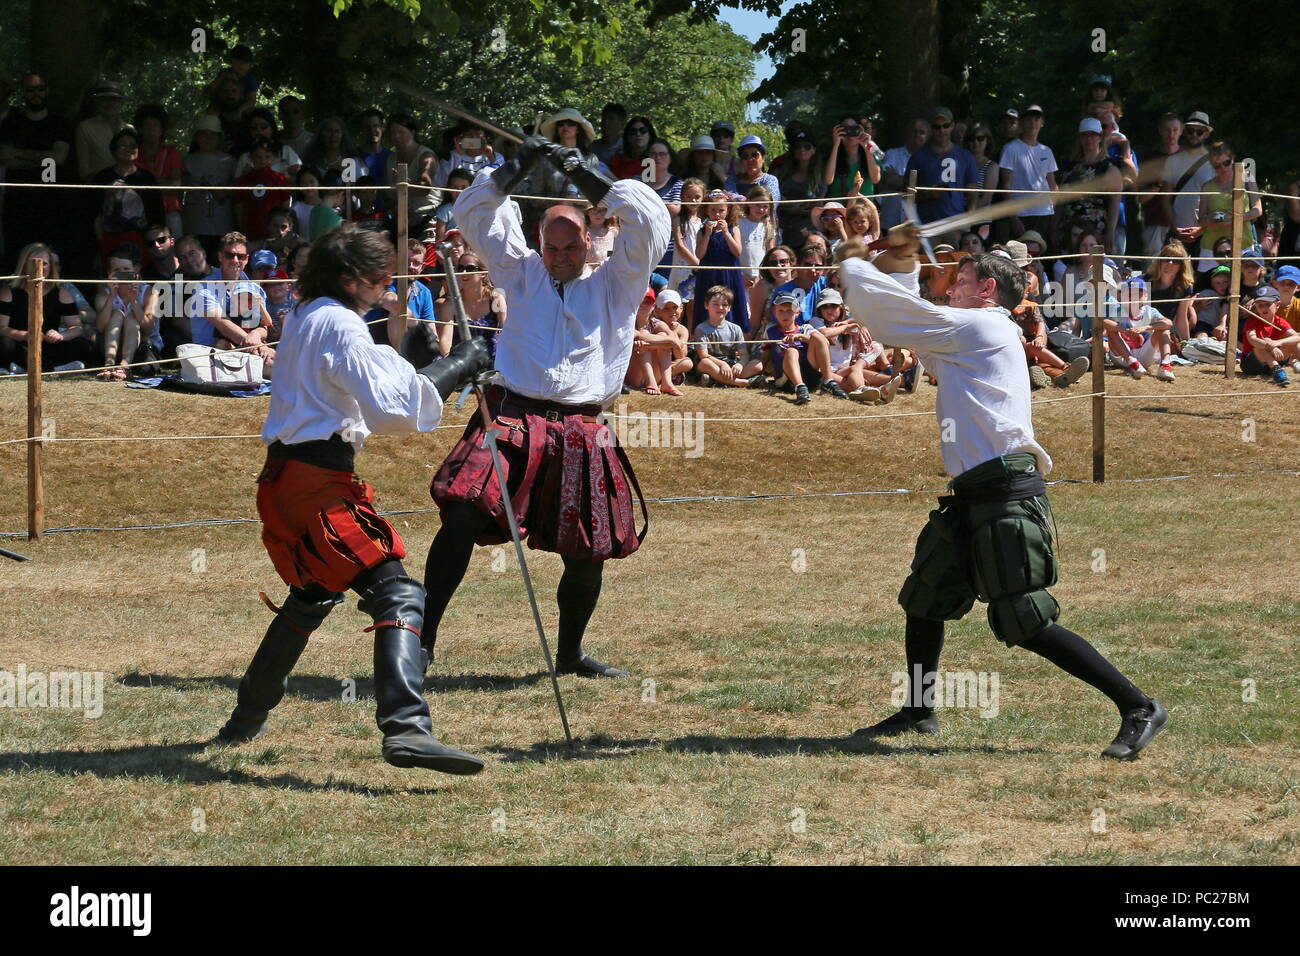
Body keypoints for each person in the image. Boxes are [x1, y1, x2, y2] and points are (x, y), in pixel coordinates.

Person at [839, 226, 1168, 760]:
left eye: (962, 280)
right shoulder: (973, 332)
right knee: (925, 600)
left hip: (1005, 491)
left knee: (1025, 618)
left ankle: (1138, 706)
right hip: (973, 491)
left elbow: (888, 318)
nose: (950, 288)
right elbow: (905, 322)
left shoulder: (981, 329)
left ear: (988, 290)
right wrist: (898, 266)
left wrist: (854, 259)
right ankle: (920, 709)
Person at [217, 223, 492, 774]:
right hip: (313, 483)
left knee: (312, 595)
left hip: (292, 480)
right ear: (349, 279)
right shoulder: (338, 324)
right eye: (376, 278)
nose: (385, 285)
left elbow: (382, 376)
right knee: (399, 594)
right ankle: (407, 729)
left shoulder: (310, 315)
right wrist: (460, 363)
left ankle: (245, 719)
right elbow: (390, 408)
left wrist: (450, 362)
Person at [422, 135, 670, 679]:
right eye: (552, 247)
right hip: (513, 414)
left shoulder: (619, 284)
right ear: (540, 242)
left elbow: (650, 225)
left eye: (572, 246)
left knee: (587, 548)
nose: (561, 257)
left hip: (583, 426)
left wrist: (586, 176)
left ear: (591, 241)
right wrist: (520, 164)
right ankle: (423, 641)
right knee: (462, 512)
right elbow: (473, 210)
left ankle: (569, 655)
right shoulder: (519, 271)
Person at [0, 74, 74, 260]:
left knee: (50, 259)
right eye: (30, 90)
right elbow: (6, 158)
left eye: (40, 89)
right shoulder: (11, 123)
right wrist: (45, 154)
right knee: (17, 258)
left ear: (47, 90)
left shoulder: (60, 123)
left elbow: (58, 158)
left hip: (51, 203)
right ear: (23, 93)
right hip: (17, 204)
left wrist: (20, 152)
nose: (36, 94)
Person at [0, 242, 95, 374]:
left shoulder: (61, 291)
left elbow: (77, 327)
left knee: (83, 344)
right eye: (33, 263)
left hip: (49, 344)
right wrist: (25, 335)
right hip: (20, 344)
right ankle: (37, 368)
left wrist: (61, 336)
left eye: (44, 263)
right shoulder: (9, 291)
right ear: (23, 265)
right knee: (4, 342)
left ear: (51, 267)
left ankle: (45, 369)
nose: (39, 267)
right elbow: (2, 327)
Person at [905, 107, 981, 244]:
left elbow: (973, 193)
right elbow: (907, 194)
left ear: (952, 126)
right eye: (936, 127)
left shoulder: (965, 156)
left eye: (945, 126)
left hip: (956, 224)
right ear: (931, 128)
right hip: (926, 226)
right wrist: (929, 194)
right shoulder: (918, 157)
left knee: (955, 263)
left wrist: (967, 221)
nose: (941, 131)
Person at [91, 128, 163, 265]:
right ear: (114, 150)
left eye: (132, 145)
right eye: (123, 145)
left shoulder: (146, 178)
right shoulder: (102, 177)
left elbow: (157, 214)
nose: (128, 149)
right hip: (109, 238)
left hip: (140, 239)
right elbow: (94, 213)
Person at [1194, 141, 1262, 271]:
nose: (1223, 168)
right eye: (1217, 166)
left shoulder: (1247, 179)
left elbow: (1258, 210)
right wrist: (1208, 220)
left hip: (1242, 244)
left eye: (1226, 163)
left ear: (1233, 159)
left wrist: (1241, 217)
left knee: (1242, 288)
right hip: (1211, 248)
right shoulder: (1207, 186)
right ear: (1212, 165)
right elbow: (1201, 220)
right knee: (1207, 288)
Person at [1055, 117, 1120, 252]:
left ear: (1100, 137)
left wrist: (1111, 232)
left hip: (1096, 230)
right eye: (1084, 135)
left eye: (1093, 135)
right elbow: (1060, 201)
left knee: (1095, 270)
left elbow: (1115, 203)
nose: (1088, 139)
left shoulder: (1109, 168)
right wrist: (1053, 227)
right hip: (1068, 228)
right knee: (1070, 270)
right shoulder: (1070, 168)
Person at [996, 105, 1057, 248]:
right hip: (1022, 214)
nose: (1033, 123)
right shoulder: (1010, 148)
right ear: (1022, 122)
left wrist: (1054, 212)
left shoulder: (1046, 151)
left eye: (1037, 119)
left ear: (1042, 123)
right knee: (1019, 256)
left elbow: (1053, 184)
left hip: (1045, 213)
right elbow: (1006, 185)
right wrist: (1013, 217)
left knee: (1042, 258)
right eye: (1029, 119)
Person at [691, 189, 748, 332]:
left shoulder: (733, 229)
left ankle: (734, 341)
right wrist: (708, 235)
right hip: (709, 275)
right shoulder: (702, 231)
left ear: (727, 211)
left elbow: (737, 251)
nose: (717, 214)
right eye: (713, 210)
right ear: (707, 211)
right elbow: (699, 254)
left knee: (731, 306)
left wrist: (726, 233)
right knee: (709, 304)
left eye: (721, 210)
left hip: (729, 274)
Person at [182, 114, 235, 254]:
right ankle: (179, 278)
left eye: (212, 134)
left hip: (222, 222)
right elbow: (180, 191)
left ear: (219, 137)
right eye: (203, 134)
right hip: (195, 222)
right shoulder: (187, 160)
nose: (208, 138)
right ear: (196, 137)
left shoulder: (230, 161)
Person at [693, 285, 763, 387]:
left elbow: (744, 354)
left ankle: (717, 380)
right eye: (715, 304)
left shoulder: (735, 329)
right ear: (706, 305)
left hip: (730, 364)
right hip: (713, 364)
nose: (720, 308)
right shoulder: (701, 329)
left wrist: (740, 364)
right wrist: (722, 364)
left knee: (757, 364)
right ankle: (743, 383)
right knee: (705, 363)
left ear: (729, 308)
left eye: (724, 305)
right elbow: (703, 355)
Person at [134, 104, 185, 240]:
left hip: (170, 211)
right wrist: (162, 184)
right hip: (141, 212)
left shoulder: (172, 152)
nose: (151, 129)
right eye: (147, 125)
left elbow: (176, 185)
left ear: (162, 129)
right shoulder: (133, 153)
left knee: (176, 245)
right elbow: (133, 188)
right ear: (140, 129)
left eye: (155, 125)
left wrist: (148, 186)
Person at [878, 117, 929, 230]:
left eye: (921, 132)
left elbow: (928, 187)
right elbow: (887, 179)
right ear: (908, 133)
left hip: (918, 225)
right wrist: (916, 185)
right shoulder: (892, 154)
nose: (917, 135)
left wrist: (898, 181)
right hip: (890, 223)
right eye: (914, 131)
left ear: (927, 136)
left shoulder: (930, 160)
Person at [1240, 286, 1296, 386]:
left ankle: (1275, 368)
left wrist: (1279, 342)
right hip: (1251, 362)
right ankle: (1277, 371)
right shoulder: (1251, 321)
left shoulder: (1279, 321)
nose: (1263, 308)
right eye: (1260, 305)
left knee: (1295, 343)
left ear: (1277, 304)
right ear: (1255, 306)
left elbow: (1297, 337)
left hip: (1272, 359)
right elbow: (1252, 339)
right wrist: (1270, 345)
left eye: (1267, 304)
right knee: (1262, 342)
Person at [76, 81, 126, 181]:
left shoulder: (129, 129)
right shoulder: (85, 128)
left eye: (114, 99)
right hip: (98, 188)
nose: (110, 103)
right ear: (97, 101)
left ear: (120, 102)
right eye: (105, 99)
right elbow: (84, 171)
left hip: (130, 190)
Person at [824, 114, 881, 200]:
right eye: (845, 129)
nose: (850, 134)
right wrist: (836, 145)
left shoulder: (870, 155)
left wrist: (866, 145)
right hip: (838, 210)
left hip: (863, 210)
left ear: (861, 130)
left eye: (854, 129)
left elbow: (875, 179)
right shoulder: (832, 156)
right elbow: (828, 180)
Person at [234, 108, 303, 179]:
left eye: (263, 127)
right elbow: (237, 186)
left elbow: (302, 177)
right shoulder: (245, 157)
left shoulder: (285, 151)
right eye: (254, 128)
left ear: (272, 129)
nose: (259, 131)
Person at [725, 135, 781, 204]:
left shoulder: (770, 180)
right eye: (745, 156)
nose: (750, 159)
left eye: (755, 155)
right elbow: (728, 203)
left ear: (763, 158)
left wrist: (742, 201)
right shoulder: (732, 180)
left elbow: (770, 205)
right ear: (741, 161)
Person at [608, 116, 655, 180]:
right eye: (633, 131)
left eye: (643, 130)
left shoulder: (658, 159)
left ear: (650, 135)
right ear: (627, 136)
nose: (638, 134)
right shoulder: (617, 160)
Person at [277, 95, 315, 160]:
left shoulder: (313, 141)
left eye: (295, 112)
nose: (291, 117)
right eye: (286, 113)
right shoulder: (273, 140)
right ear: (280, 116)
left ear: (302, 114)